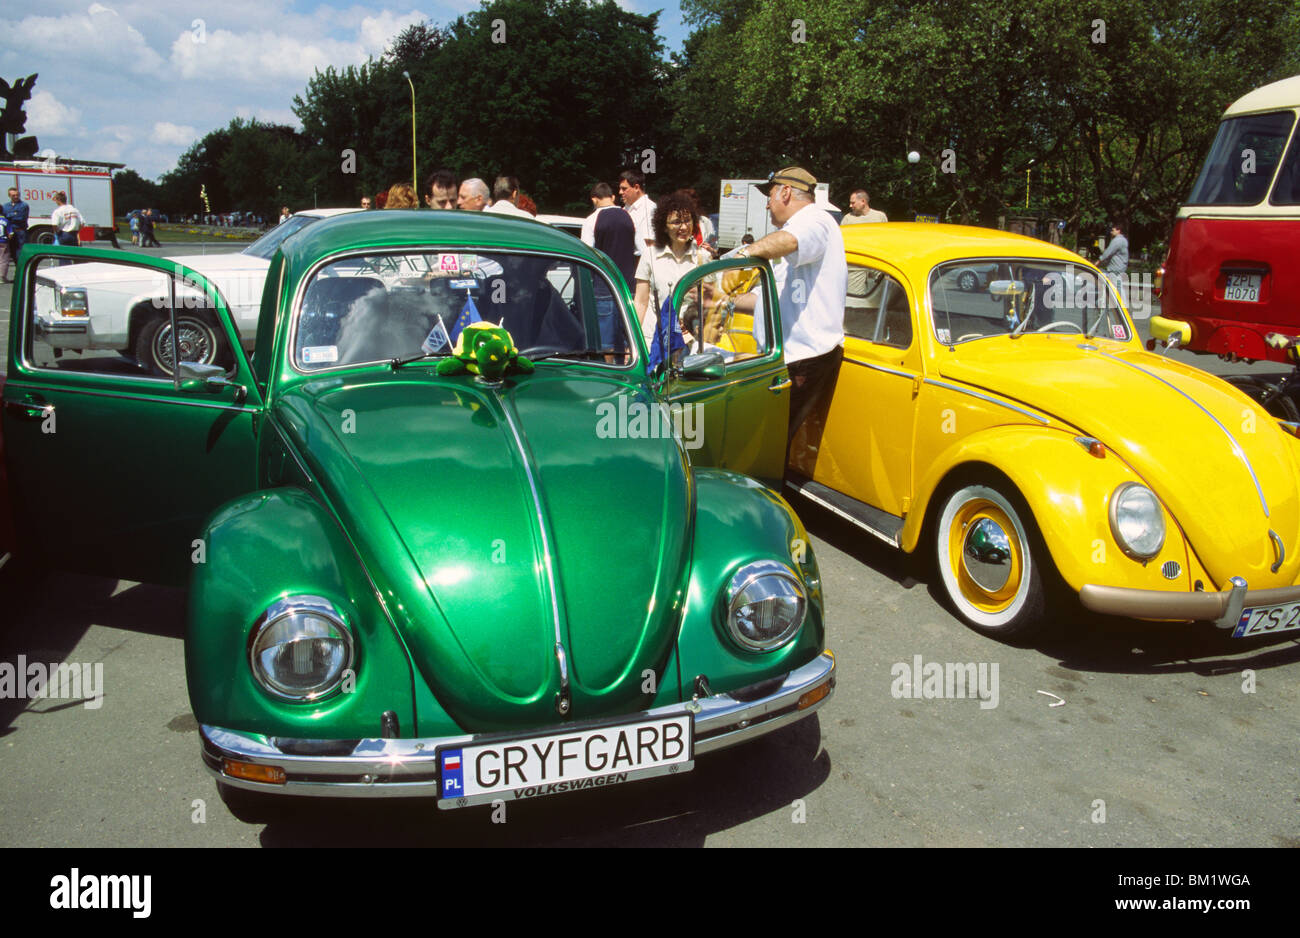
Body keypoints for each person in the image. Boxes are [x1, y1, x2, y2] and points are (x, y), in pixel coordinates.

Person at [735, 167, 847, 447]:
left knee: (766, 446)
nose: (767, 202)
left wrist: (741, 255)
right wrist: (724, 300)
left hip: (803, 358)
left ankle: (767, 491)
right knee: (766, 443)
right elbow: (776, 297)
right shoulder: (800, 228)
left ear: (785, 192)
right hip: (788, 358)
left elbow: (789, 241)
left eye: (770, 193)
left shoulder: (814, 220)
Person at [633, 190, 709, 348]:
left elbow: (711, 303)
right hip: (653, 340)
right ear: (664, 227)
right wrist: (634, 343)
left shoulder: (703, 257)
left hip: (689, 342)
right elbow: (640, 302)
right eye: (676, 222)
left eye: (687, 221)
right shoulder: (649, 255)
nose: (683, 227)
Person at [582, 182, 637, 290]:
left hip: (603, 285)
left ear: (594, 199)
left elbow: (586, 255)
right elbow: (639, 250)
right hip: (628, 287)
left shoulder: (591, 220)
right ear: (613, 197)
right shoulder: (629, 217)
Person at [618, 170, 655, 257]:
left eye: (624, 189)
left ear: (636, 188)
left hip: (640, 261)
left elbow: (650, 245)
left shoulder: (650, 209)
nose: (620, 192)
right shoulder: (625, 209)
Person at [1, 186, 29, 283]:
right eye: (13, 195)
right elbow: (3, 217)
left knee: (20, 254)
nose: (16, 197)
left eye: (17, 195)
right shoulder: (5, 206)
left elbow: (21, 217)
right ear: (9, 196)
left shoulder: (24, 205)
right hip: (10, 233)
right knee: (11, 254)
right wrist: (13, 214)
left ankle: (22, 275)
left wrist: (10, 216)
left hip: (20, 232)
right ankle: (16, 276)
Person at [1098, 221, 1129, 305]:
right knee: (1115, 285)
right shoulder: (1123, 240)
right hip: (1119, 267)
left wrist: (1099, 261)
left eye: (1113, 230)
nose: (1111, 232)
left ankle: (1122, 305)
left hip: (1116, 268)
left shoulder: (1118, 240)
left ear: (1118, 231)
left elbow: (1108, 252)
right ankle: (1105, 302)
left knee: (1117, 286)